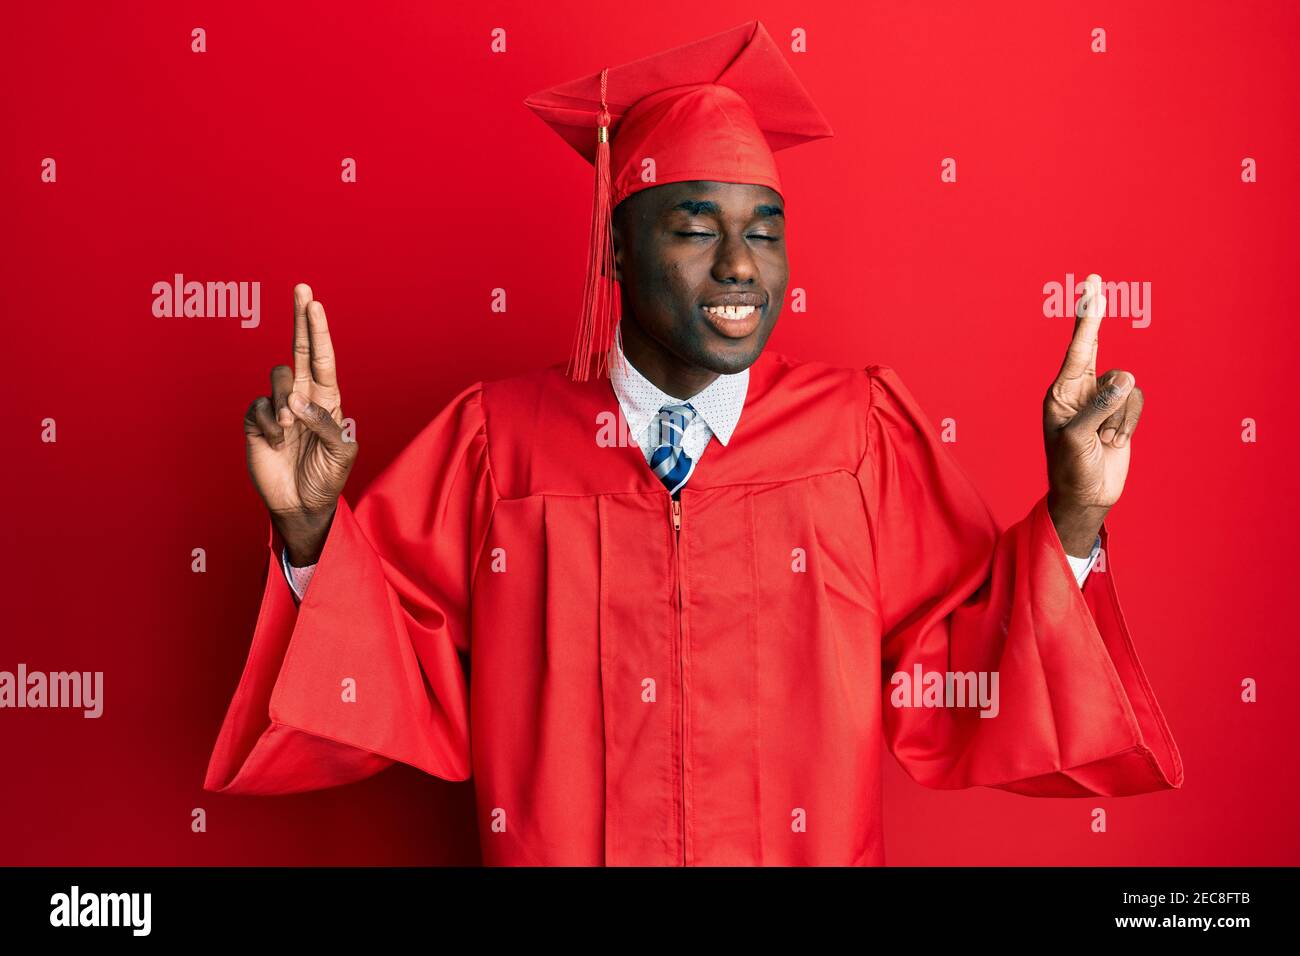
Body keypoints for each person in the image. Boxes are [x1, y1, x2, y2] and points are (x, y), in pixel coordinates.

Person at [205, 19, 1182, 866]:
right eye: (696, 225)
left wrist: (1075, 514)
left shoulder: (855, 434)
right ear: (617, 247)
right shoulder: (496, 445)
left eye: (764, 230)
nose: (738, 265)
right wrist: (308, 527)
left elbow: (963, 666)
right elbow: (392, 675)